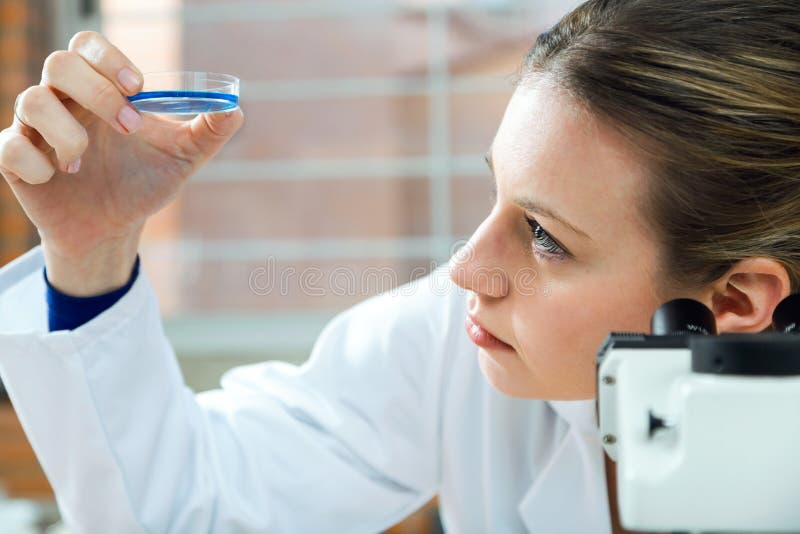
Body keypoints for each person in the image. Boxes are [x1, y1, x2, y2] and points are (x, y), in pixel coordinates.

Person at [1, 0, 799, 532]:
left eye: (546, 237)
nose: (466, 271)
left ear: (735, 299)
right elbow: (185, 513)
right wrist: (93, 246)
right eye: (497, 196)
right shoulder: (458, 341)